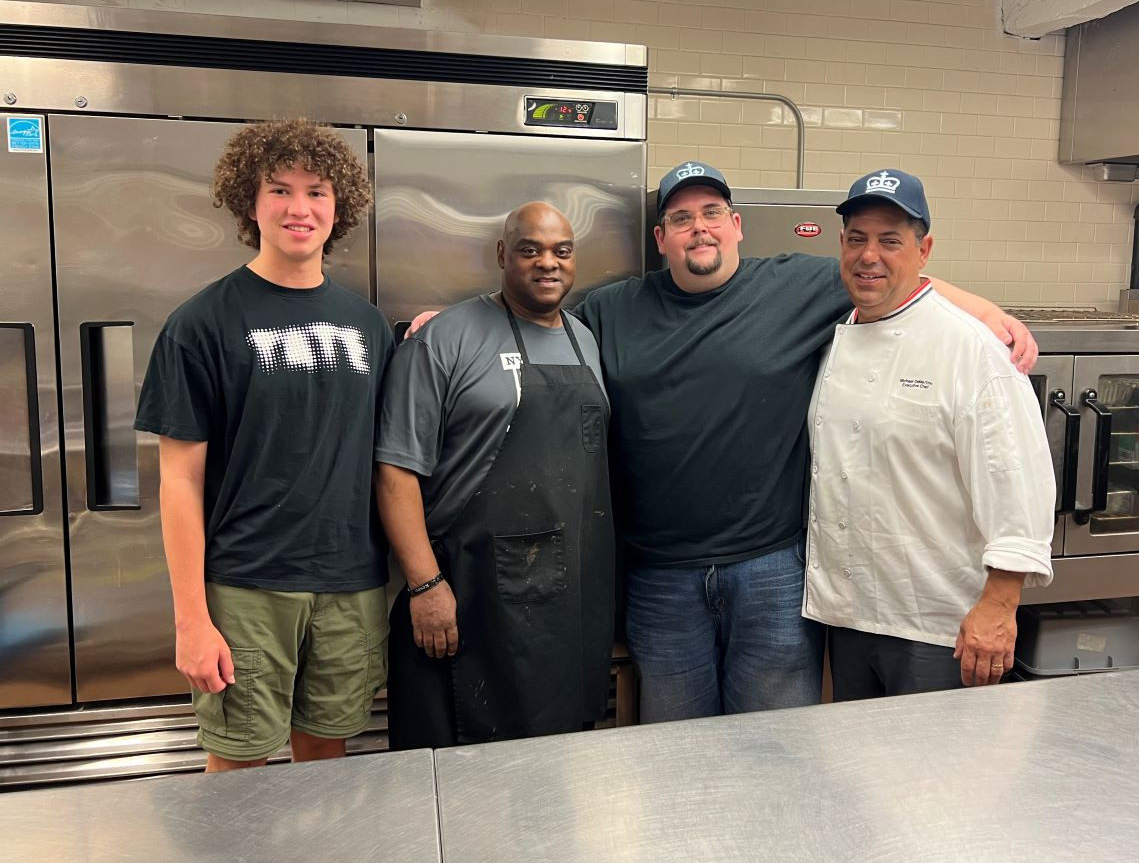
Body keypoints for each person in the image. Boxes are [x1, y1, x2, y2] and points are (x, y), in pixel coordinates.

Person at [567, 161, 1039, 723]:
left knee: (781, 745)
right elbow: (540, 326)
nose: (699, 228)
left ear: (736, 225)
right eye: (681, 218)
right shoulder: (611, 308)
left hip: (773, 571)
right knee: (678, 747)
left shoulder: (797, 285)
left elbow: (899, 278)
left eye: (712, 213)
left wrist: (989, 314)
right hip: (660, 577)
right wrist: (468, 331)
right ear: (661, 236)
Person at [135, 119, 394, 772]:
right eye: (280, 189)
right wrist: (191, 620)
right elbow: (178, 481)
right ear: (249, 204)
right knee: (238, 767)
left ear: (339, 207)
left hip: (350, 584)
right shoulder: (201, 324)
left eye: (316, 191)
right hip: (246, 587)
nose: (299, 208)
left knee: (327, 759)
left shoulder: (368, 325)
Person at [803, 169, 1055, 699]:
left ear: (924, 250)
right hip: (848, 616)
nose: (869, 255)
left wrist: (1000, 604)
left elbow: (1017, 481)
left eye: (890, 241)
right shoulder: (835, 336)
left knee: (937, 756)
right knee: (854, 753)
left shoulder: (971, 348)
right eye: (857, 239)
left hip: (942, 625)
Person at [375, 202, 614, 748]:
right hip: (470, 597)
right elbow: (394, 471)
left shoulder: (585, 339)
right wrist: (425, 584)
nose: (547, 263)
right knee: (458, 774)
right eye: (530, 250)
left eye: (561, 251)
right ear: (503, 254)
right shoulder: (444, 339)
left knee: (552, 766)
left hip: (571, 603)